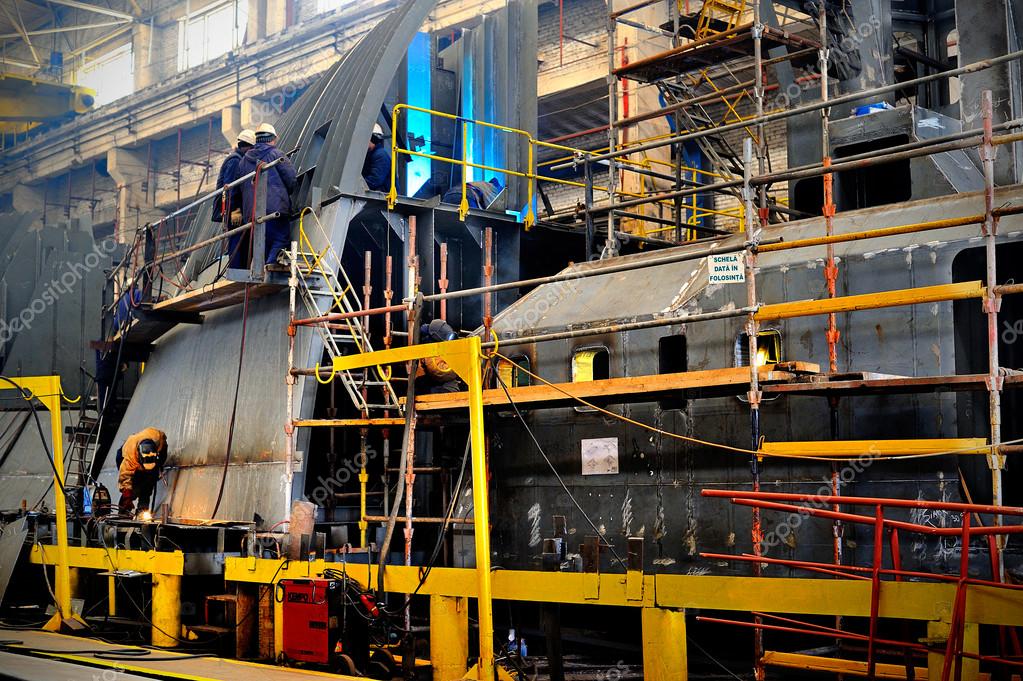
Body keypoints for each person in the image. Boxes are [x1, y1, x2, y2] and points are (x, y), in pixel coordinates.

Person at [236, 122, 297, 264]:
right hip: (274, 210)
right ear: (272, 139)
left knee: (262, 243)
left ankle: (264, 266)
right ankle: (270, 265)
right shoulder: (276, 154)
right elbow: (291, 180)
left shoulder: (243, 161)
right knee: (281, 238)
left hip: (252, 214)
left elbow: (240, 188)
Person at [217, 129, 255, 268]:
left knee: (240, 236)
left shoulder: (237, 159)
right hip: (235, 209)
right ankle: (236, 268)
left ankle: (240, 266)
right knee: (237, 235)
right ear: (247, 147)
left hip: (236, 207)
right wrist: (235, 211)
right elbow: (230, 189)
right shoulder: (235, 161)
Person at [116, 427, 168, 515]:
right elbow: (125, 477)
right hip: (122, 456)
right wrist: (127, 494)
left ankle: (142, 510)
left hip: (147, 458)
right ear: (140, 457)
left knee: (148, 483)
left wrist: (160, 464)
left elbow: (164, 448)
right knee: (134, 486)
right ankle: (123, 511)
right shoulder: (130, 457)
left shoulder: (158, 438)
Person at [362, 123, 391, 192]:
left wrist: (357, 186)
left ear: (372, 139)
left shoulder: (380, 155)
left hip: (383, 199)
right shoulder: (371, 155)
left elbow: (375, 180)